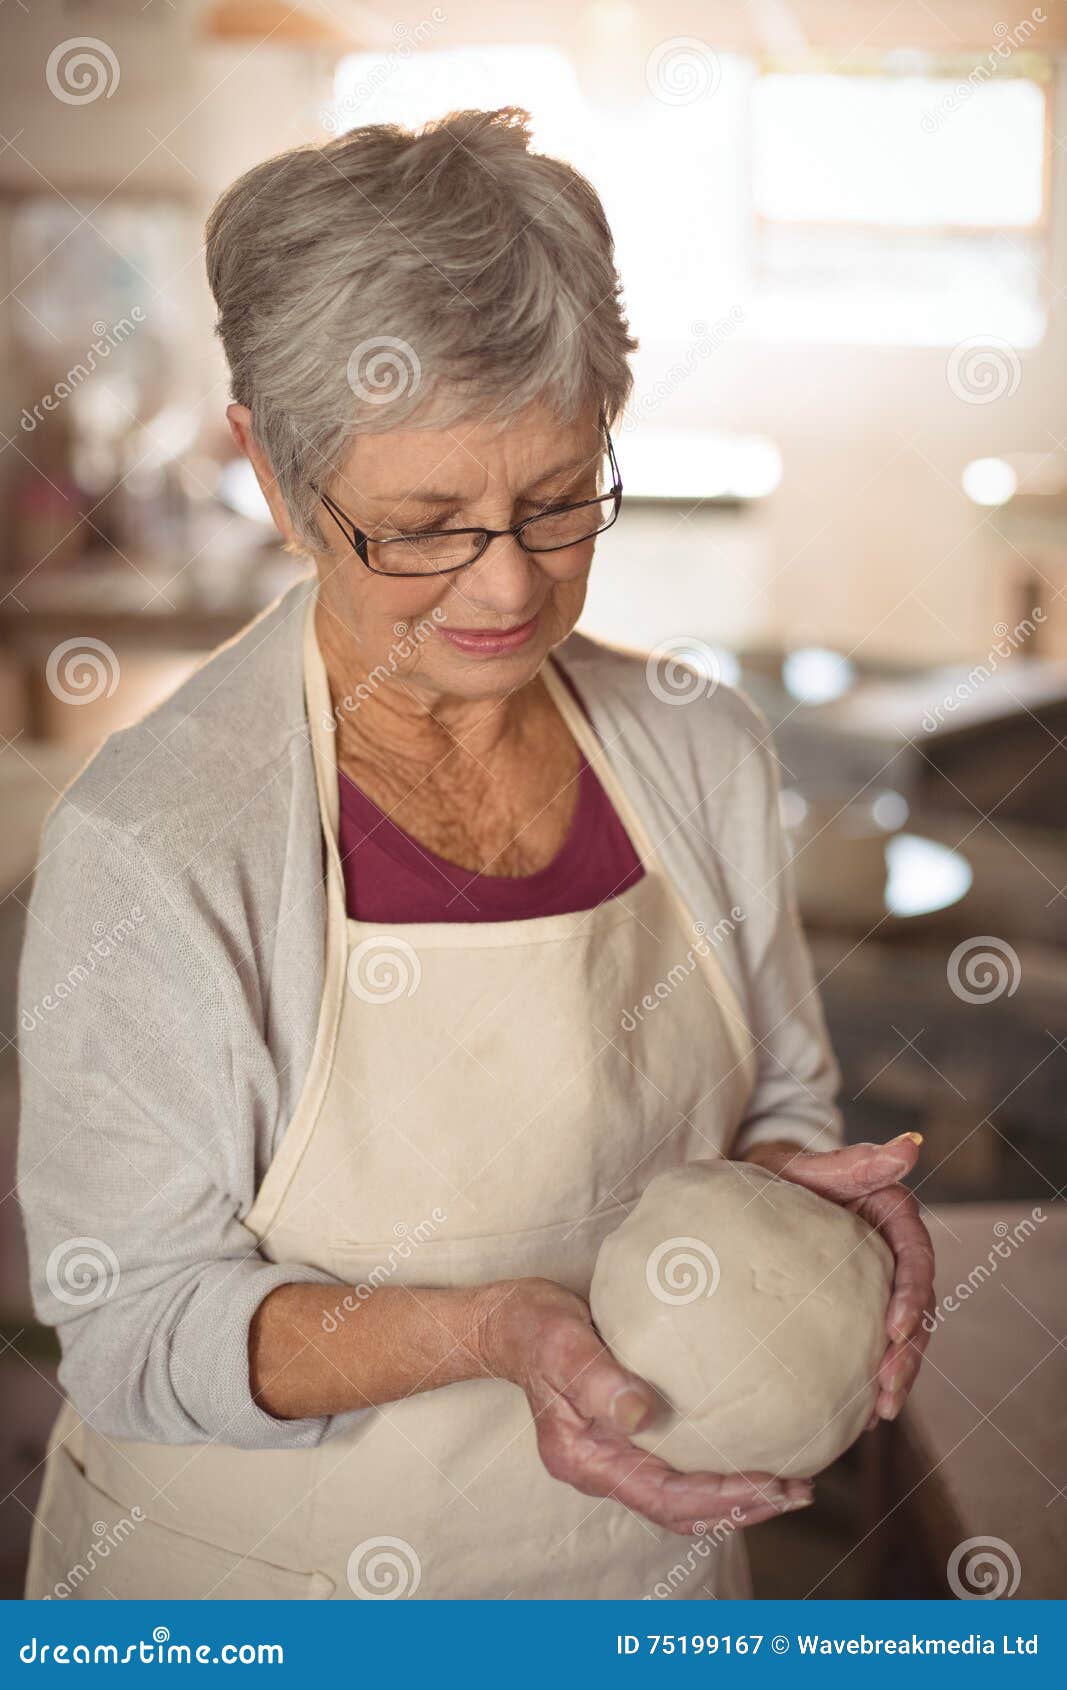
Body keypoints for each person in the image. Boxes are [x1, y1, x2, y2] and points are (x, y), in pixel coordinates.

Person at [20, 108, 933, 1600]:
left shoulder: (699, 752)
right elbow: (132, 1330)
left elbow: (774, 1107)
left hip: (639, 1590)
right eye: (425, 526)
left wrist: (812, 1207)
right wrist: (489, 1331)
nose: (508, 586)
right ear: (275, 478)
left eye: (559, 499)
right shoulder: (162, 846)